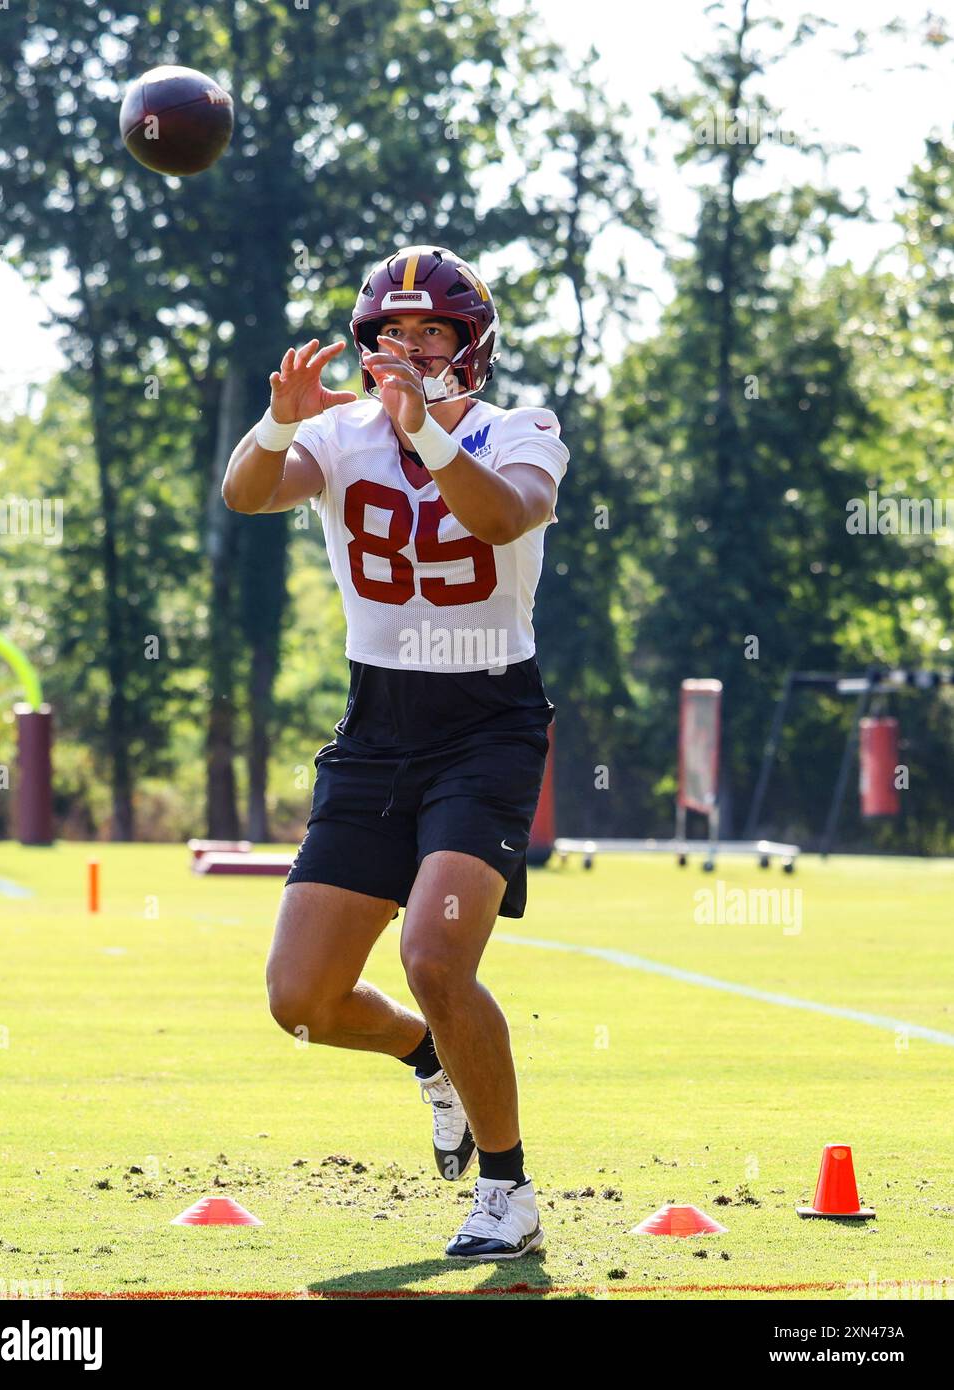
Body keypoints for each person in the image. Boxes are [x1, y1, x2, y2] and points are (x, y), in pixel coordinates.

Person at [222, 245, 568, 1260]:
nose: (404, 350)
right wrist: (283, 414)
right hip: (376, 729)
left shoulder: (522, 429)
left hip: (487, 724)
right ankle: (427, 1056)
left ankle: (508, 1189)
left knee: (431, 954)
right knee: (303, 1000)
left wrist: (427, 436)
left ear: (471, 347)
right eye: (387, 334)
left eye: (428, 333)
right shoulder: (340, 434)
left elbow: (504, 514)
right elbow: (247, 493)